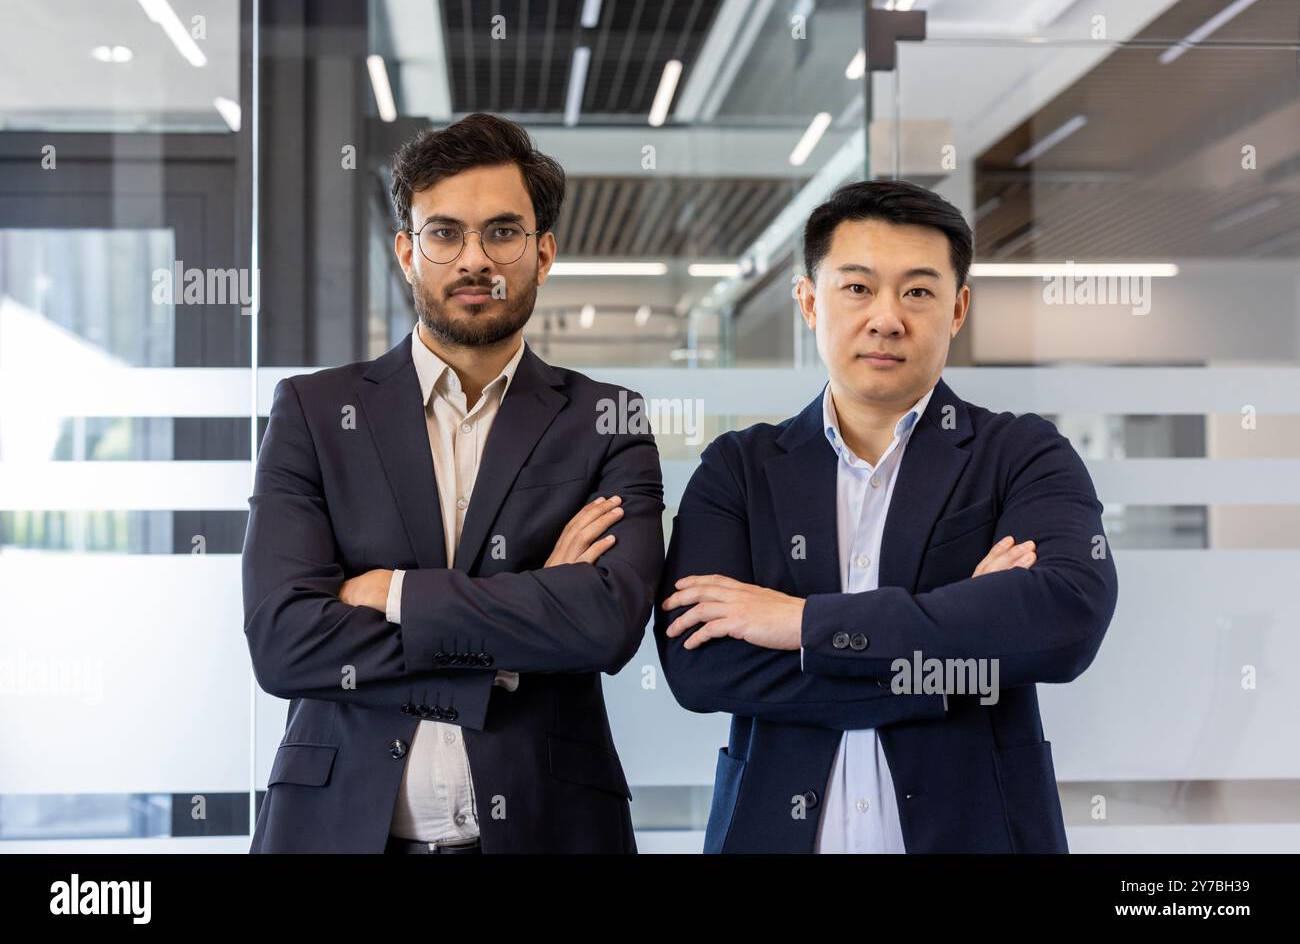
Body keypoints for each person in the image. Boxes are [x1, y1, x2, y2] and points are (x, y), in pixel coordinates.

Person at [655, 178, 1117, 853]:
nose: (887, 317)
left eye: (919, 291)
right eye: (858, 287)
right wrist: (958, 653)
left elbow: (1066, 619)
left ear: (958, 308)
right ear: (809, 302)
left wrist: (799, 622)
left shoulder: (1021, 453)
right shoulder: (740, 469)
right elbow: (699, 667)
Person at [243, 113, 664, 853]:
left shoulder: (608, 418)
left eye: (502, 232)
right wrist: (515, 638)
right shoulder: (314, 411)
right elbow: (285, 643)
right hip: (338, 828)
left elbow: (605, 624)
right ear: (408, 252)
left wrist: (394, 595)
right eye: (444, 233)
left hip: (549, 830)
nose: (475, 258)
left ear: (544, 252)